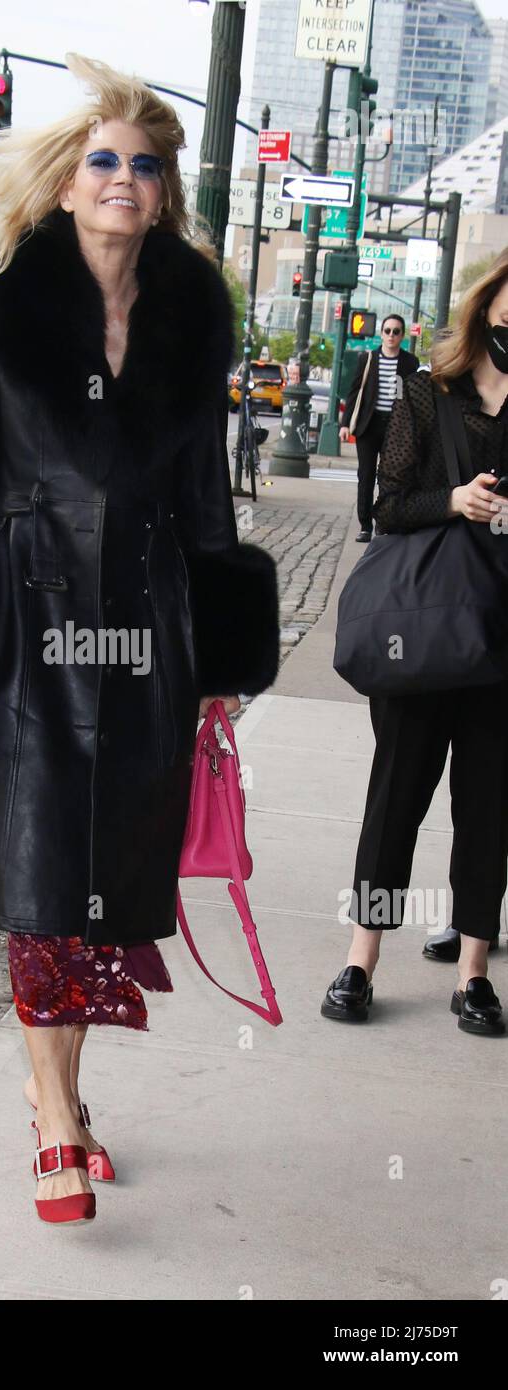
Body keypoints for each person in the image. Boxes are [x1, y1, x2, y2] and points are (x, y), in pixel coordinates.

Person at [0, 55, 279, 1224]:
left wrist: (220, 668)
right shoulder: (7, 307)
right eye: (102, 160)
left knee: (103, 879)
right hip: (22, 628)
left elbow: (207, 501)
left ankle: (56, 1093)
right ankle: (55, 1122)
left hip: (148, 635)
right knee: (42, 870)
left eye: (143, 165)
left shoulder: (192, 319)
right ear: (67, 185)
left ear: (161, 193)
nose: (122, 179)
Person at [322, 249, 508, 1036]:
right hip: (423, 633)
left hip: (500, 643)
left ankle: (472, 972)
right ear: (484, 311)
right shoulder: (431, 398)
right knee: (394, 797)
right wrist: (454, 500)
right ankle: (361, 958)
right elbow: (388, 505)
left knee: (488, 808)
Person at [340, 314, 419, 542]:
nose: (391, 335)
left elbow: (407, 396)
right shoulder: (369, 358)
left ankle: (383, 522)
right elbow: (355, 392)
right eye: (387, 331)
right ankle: (365, 524)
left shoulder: (408, 362)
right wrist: (345, 424)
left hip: (395, 427)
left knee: (390, 476)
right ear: (381, 333)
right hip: (368, 425)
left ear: (402, 335)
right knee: (365, 475)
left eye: (396, 331)